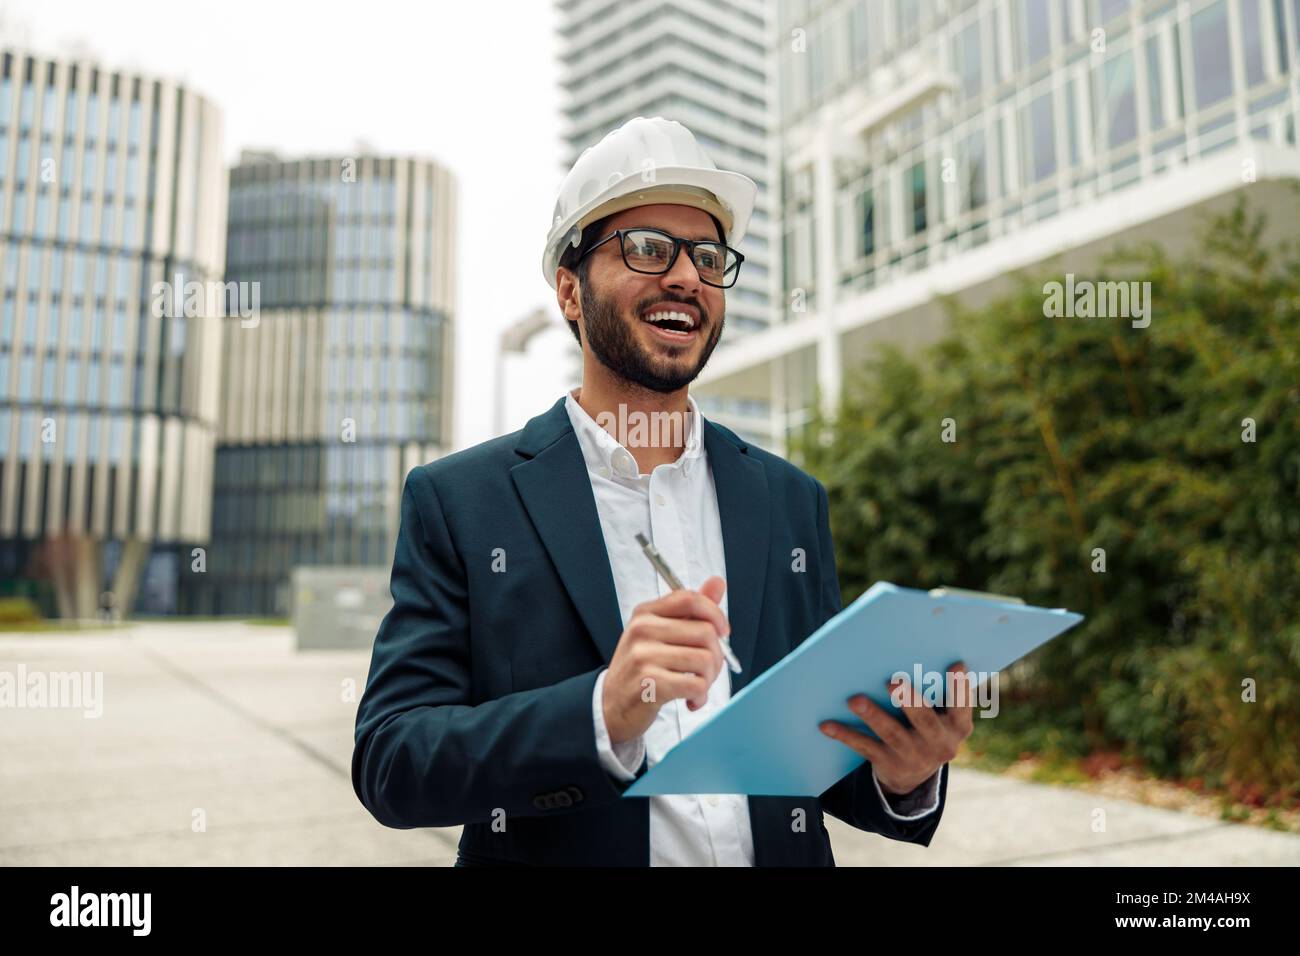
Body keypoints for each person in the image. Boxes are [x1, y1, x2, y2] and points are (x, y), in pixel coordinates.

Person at [352, 116, 971, 865]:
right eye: (647, 248)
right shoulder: (461, 502)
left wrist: (901, 772)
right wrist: (601, 713)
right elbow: (392, 760)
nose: (686, 275)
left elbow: (817, 757)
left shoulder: (789, 500)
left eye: (708, 257)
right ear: (570, 292)